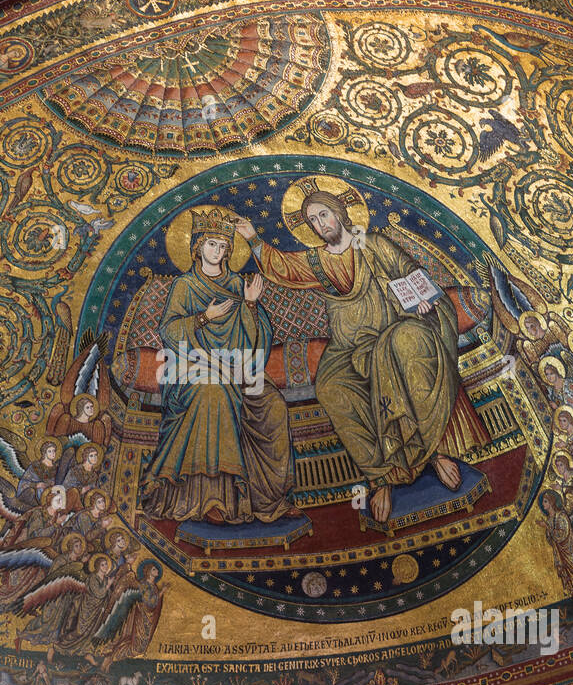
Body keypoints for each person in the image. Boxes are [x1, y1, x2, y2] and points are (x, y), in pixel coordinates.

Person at [240, 188, 487, 522]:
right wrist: (253, 238)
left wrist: (423, 299)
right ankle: (380, 475)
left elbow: (412, 272)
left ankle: (432, 453)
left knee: (401, 346)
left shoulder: (373, 245)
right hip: (348, 347)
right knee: (331, 385)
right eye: (312, 220)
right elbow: (282, 266)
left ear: (340, 212)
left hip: (397, 326)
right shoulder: (317, 261)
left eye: (323, 214)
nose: (319, 224)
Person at [141, 207, 298, 524]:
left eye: (224, 245)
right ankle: (214, 499)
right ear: (198, 246)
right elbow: (169, 332)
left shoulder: (239, 284)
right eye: (211, 243)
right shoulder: (185, 286)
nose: (218, 250)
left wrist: (251, 305)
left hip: (238, 367)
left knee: (273, 404)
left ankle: (269, 499)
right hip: (192, 368)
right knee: (215, 393)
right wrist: (203, 318)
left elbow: (257, 342)